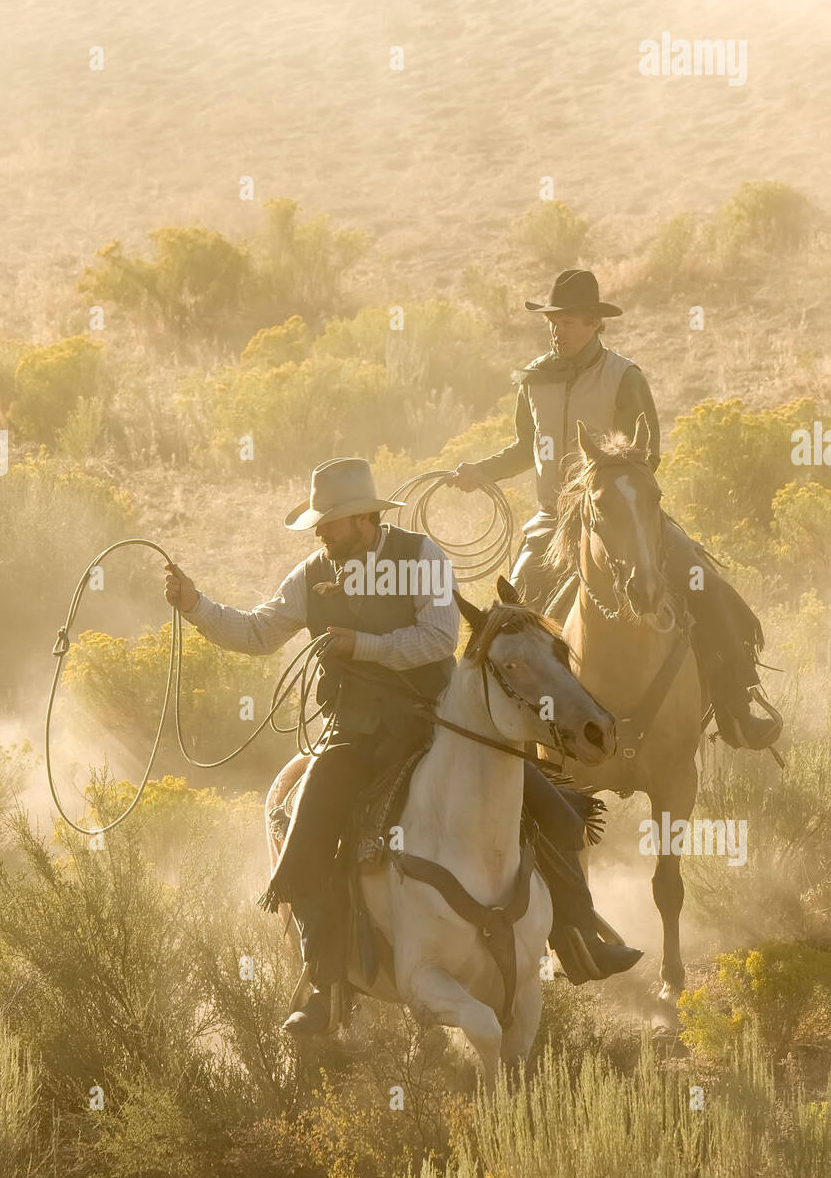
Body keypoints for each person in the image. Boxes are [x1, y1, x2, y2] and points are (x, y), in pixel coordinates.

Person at [165, 457, 641, 1037]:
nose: (320, 533)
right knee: (305, 837)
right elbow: (258, 631)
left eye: (330, 523)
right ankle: (325, 981)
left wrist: (358, 644)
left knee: (560, 816)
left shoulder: (421, 558)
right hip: (355, 735)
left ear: (363, 520)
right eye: (319, 524)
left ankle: (575, 935)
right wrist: (194, 604)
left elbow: (438, 638)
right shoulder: (312, 574)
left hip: (437, 723)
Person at [451, 269, 782, 751]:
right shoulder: (534, 379)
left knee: (700, 578)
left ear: (592, 323)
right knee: (513, 610)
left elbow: (649, 456)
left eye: (564, 320)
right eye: (551, 319)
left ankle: (737, 700)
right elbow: (527, 447)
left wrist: (607, 482)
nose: (554, 329)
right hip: (552, 520)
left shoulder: (623, 377)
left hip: (624, 513)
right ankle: (494, 727)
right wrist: (481, 469)